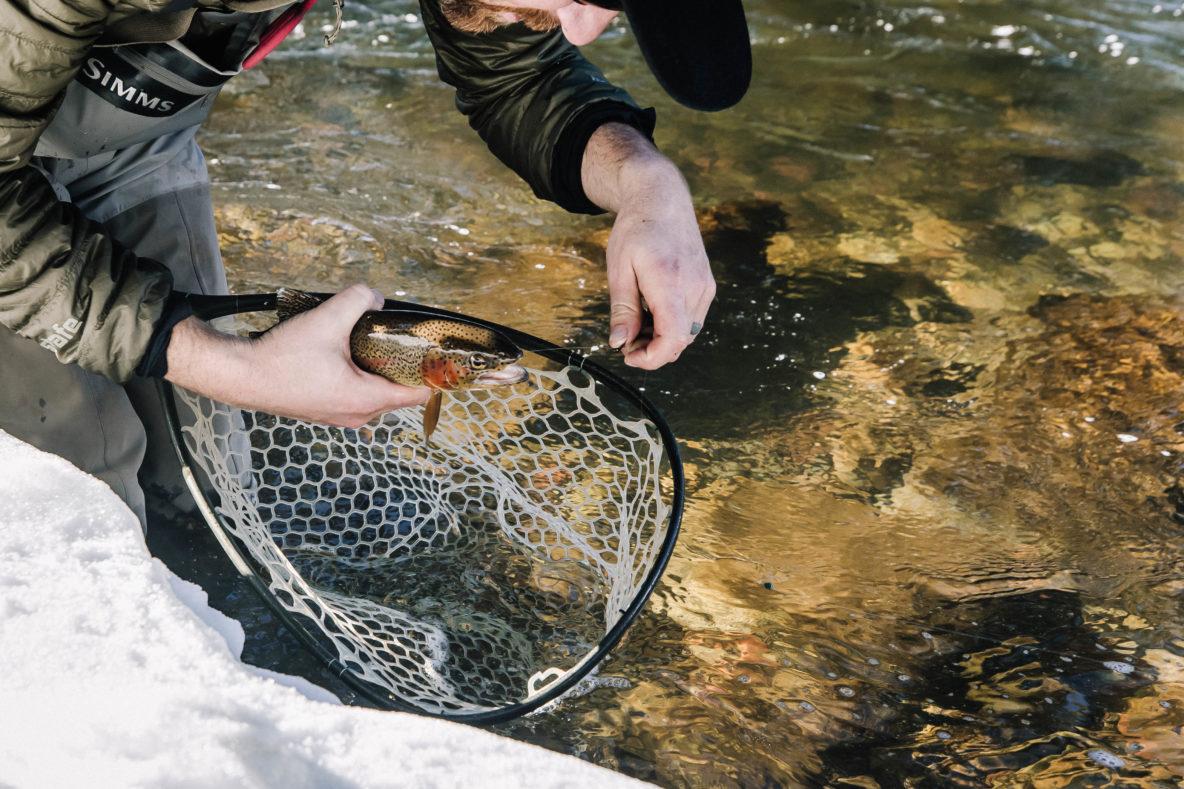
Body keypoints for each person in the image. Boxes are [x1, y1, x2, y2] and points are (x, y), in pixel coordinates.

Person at [0, 0, 750, 525]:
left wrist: (649, 185)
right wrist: (234, 367)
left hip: (132, 144)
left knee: (206, 477)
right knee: (90, 489)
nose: (583, 29)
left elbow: (516, 72)